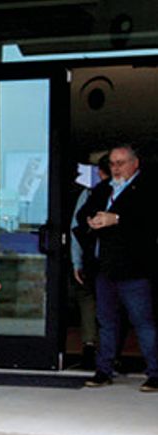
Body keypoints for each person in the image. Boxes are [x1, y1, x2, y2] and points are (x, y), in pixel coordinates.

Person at [75, 143, 158, 392]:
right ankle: (104, 370)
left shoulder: (148, 188)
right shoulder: (102, 189)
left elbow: (150, 221)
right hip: (105, 268)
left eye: (121, 163)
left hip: (134, 269)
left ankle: (154, 372)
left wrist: (117, 219)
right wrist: (92, 220)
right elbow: (82, 217)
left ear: (135, 164)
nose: (116, 168)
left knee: (143, 321)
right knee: (106, 322)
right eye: (112, 163)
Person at [70, 153, 110, 369]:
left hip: (97, 260)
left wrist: (77, 261)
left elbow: (75, 228)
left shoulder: (89, 194)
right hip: (97, 261)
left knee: (92, 302)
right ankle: (101, 352)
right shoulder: (92, 193)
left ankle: (91, 348)